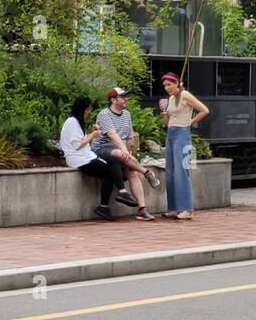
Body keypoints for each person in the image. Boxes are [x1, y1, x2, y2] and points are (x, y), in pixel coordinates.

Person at [60, 96, 137, 220]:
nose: (89, 112)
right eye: (88, 109)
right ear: (82, 109)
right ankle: (121, 193)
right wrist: (93, 135)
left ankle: (105, 205)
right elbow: (78, 145)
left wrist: (92, 134)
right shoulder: (72, 122)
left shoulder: (76, 122)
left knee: (112, 168)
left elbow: (80, 141)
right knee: (111, 166)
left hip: (85, 156)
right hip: (80, 159)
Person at [90, 87, 159, 221]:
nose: (126, 99)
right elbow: (111, 133)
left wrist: (129, 153)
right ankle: (147, 172)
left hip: (120, 151)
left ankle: (142, 209)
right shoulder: (104, 114)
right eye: (122, 97)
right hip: (101, 149)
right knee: (120, 154)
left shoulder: (126, 114)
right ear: (113, 100)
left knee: (133, 172)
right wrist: (124, 150)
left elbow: (130, 137)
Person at [160, 73, 210, 220]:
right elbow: (167, 121)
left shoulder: (185, 95)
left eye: (169, 84)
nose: (167, 88)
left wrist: (190, 122)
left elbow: (204, 110)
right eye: (164, 85)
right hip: (171, 133)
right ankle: (174, 208)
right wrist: (164, 110)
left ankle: (187, 208)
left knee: (182, 171)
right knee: (170, 172)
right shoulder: (170, 98)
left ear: (177, 83)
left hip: (183, 134)